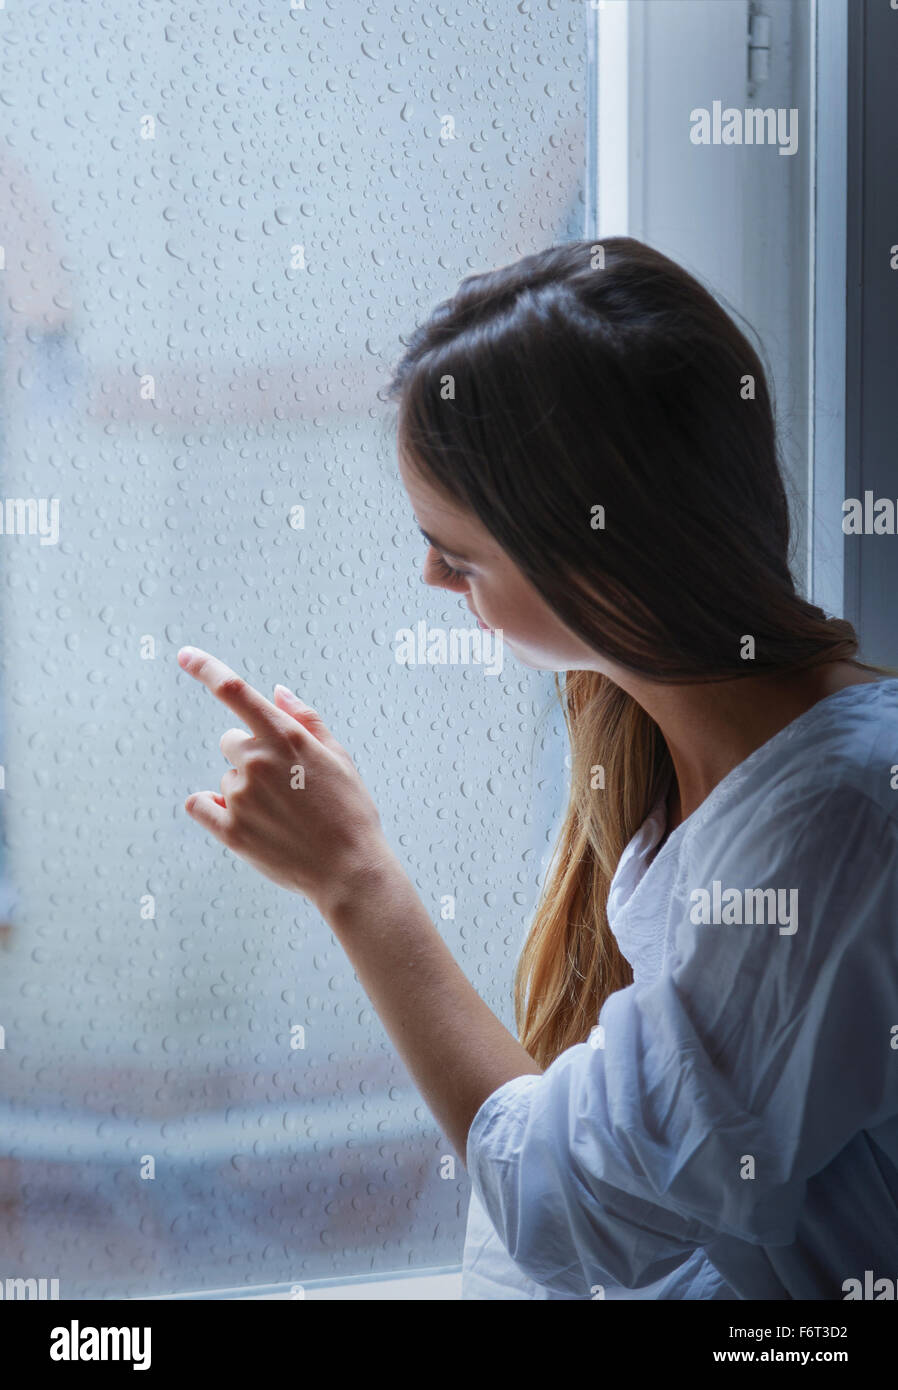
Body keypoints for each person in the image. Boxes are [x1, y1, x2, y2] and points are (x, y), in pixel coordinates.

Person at [178, 238, 898, 1299]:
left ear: (596, 562)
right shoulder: (684, 764)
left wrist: (354, 878)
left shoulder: (836, 822)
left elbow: (566, 1209)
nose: (428, 573)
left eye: (458, 555)